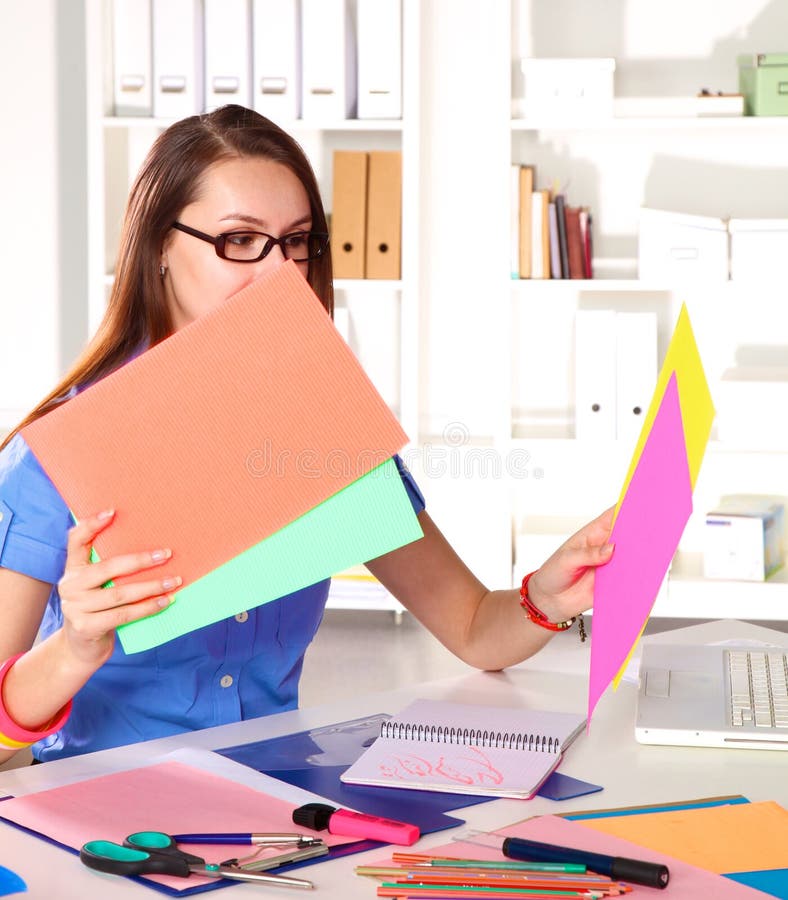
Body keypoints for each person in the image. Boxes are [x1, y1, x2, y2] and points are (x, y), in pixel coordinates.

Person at [0, 105, 614, 765]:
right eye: (239, 240)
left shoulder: (318, 423)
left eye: (296, 241)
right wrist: (74, 650)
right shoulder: (62, 454)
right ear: (158, 249)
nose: (280, 272)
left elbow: (471, 627)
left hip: (280, 805)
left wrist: (545, 596)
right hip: (100, 820)